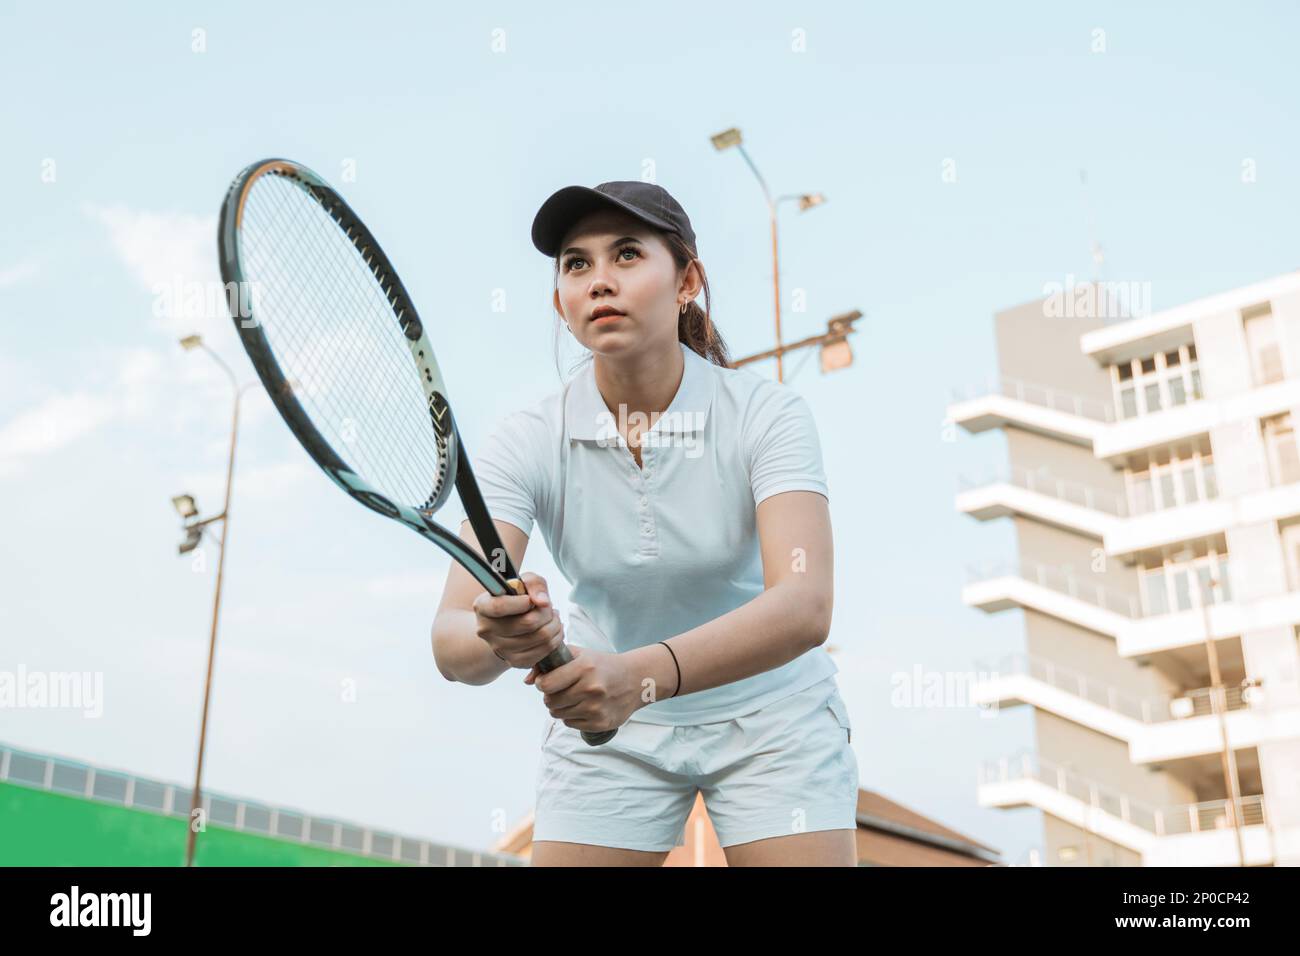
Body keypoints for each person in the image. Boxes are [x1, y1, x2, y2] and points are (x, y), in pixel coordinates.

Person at [431, 181, 858, 866]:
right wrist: (500, 632)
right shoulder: (525, 439)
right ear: (559, 303)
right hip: (609, 729)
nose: (600, 280)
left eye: (627, 255)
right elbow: (452, 643)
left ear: (687, 279)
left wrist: (638, 678)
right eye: (577, 264)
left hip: (772, 717)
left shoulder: (767, 414)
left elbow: (805, 606)